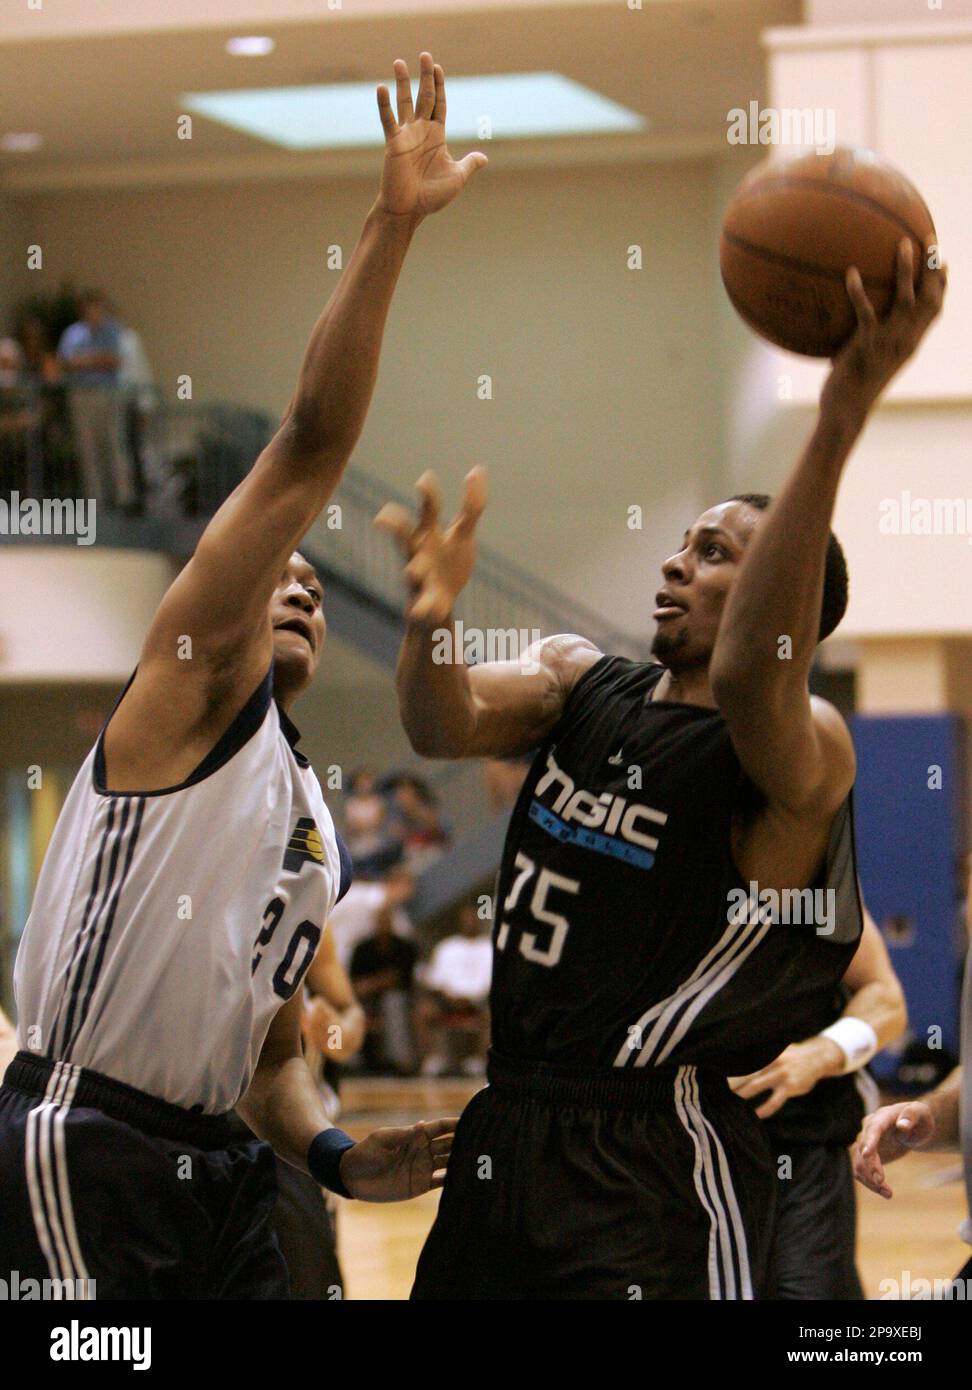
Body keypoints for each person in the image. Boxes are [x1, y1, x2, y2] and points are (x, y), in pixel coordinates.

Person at [0, 52, 484, 1299]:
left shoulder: (309, 820)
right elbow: (314, 439)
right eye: (286, 571)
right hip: (85, 1142)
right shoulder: (185, 687)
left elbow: (269, 1050)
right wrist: (390, 224)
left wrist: (329, 1150)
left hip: (219, 1165)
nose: (306, 585)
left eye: (321, 587)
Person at [377, 238, 945, 1299]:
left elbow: (752, 675)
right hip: (510, 1119)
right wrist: (430, 623)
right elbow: (438, 724)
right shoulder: (575, 678)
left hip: (657, 1152)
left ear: (789, 604)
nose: (679, 560)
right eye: (685, 541)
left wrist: (840, 414)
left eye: (721, 552)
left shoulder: (800, 745)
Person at [731, 906, 906, 1299]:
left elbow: (885, 996)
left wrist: (822, 1053)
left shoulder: (811, 866)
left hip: (797, 1147)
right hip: (662, 1148)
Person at [57, 290, 137, 512]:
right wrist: (95, 360)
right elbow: (65, 362)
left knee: (114, 443)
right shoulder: (73, 333)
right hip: (82, 395)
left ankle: (124, 498)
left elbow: (113, 361)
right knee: (88, 448)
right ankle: (96, 501)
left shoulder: (112, 331)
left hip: (106, 394)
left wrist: (85, 360)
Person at [416, 902, 492, 1077]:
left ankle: (481, 1061)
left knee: (493, 1014)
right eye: (466, 918)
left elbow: (493, 980)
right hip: (447, 1000)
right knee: (423, 1011)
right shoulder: (447, 947)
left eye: (473, 917)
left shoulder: (489, 947)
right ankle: (433, 1060)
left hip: (479, 1000)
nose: (470, 921)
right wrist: (449, 996)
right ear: (460, 921)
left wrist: (472, 998)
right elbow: (434, 979)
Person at [350, 911, 419, 1074]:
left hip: (400, 1000)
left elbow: (403, 981)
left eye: (387, 920)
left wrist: (372, 984)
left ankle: (400, 1061)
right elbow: (355, 984)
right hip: (366, 999)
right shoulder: (362, 948)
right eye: (380, 921)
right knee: (349, 1006)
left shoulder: (405, 947)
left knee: (392, 1002)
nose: (383, 925)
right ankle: (350, 1061)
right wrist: (379, 983)